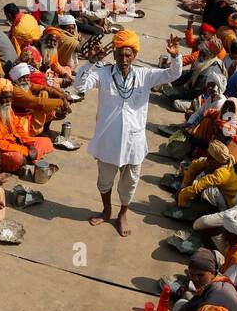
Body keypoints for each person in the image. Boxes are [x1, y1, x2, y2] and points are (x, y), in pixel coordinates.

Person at [74, 29, 182, 237]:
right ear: (113, 54)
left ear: (135, 55)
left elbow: (173, 74)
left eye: (128, 55)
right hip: (108, 141)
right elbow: (79, 85)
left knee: (130, 183)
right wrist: (90, 62)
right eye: (120, 54)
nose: (124, 59)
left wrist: (176, 56)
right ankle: (106, 210)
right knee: (104, 181)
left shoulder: (144, 75)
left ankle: (122, 214)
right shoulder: (103, 73)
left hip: (134, 143)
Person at [0, 79, 52, 174]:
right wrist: (26, 151)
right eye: (5, 98)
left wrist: (29, 144)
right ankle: (23, 160)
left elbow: (18, 127)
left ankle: (26, 159)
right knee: (16, 158)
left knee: (46, 142)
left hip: (15, 143)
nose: (8, 101)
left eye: (10, 98)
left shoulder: (6, 106)